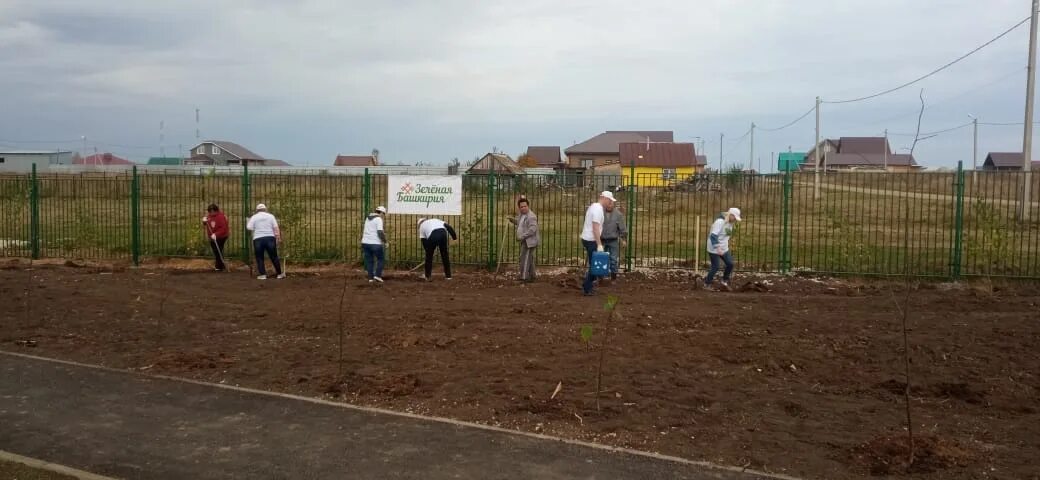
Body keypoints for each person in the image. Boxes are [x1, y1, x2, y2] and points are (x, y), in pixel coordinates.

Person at [580, 191, 615, 296]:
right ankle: (587, 287)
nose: (610, 202)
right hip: (591, 240)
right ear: (604, 198)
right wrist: (599, 244)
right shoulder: (598, 209)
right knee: (596, 267)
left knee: (594, 265)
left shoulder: (594, 206)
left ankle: (588, 286)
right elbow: (595, 227)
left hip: (588, 238)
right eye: (609, 200)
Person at [704, 207, 742, 290]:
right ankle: (707, 284)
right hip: (714, 247)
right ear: (730, 215)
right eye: (735, 217)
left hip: (724, 248)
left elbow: (727, 234)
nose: (735, 220)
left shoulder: (731, 222)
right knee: (715, 266)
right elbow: (713, 236)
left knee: (730, 264)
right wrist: (717, 248)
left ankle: (724, 281)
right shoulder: (720, 222)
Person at [246, 203, 284, 280]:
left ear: (257, 210)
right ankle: (279, 274)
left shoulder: (254, 217)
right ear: (265, 209)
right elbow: (275, 227)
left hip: (258, 239)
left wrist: (255, 226)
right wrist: (278, 237)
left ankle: (263, 274)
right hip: (270, 238)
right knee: (274, 256)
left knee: (259, 257)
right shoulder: (271, 216)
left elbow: (249, 227)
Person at [507, 197, 540, 282]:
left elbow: (532, 230)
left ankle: (524, 277)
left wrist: (522, 236)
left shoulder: (531, 216)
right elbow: (520, 223)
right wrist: (512, 220)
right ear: (519, 208)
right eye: (521, 207)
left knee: (524, 258)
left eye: (525, 206)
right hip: (525, 241)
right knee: (529, 259)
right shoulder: (521, 215)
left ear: (528, 206)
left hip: (530, 242)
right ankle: (533, 276)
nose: (523, 208)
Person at [601, 199, 628, 281]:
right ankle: (601, 276)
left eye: (611, 203)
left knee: (613, 259)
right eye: (608, 203)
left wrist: (623, 239)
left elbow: (622, 228)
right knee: (602, 258)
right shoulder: (600, 213)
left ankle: (613, 278)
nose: (609, 205)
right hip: (602, 240)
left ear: (614, 204)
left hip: (613, 240)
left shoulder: (618, 215)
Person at [361, 206, 388, 283]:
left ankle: (370, 278)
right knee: (381, 259)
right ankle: (378, 275)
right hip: (375, 243)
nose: (384, 216)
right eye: (384, 214)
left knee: (369, 261)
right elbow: (380, 232)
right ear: (381, 213)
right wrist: (385, 241)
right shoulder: (378, 219)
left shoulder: (368, 218)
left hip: (365, 242)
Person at [202, 203, 229, 271]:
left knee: (218, 250)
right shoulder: (209, 216)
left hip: (222, 236)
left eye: (212, 212)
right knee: (215, 250)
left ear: (216, 211)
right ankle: (220, 265)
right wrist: (204, 221)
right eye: (209, 212)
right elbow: (207, 223)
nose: (210, 213)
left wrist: (216, 234)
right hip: (212, 237)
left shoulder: (221, 217)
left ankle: (219, 266)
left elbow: (224, 228)